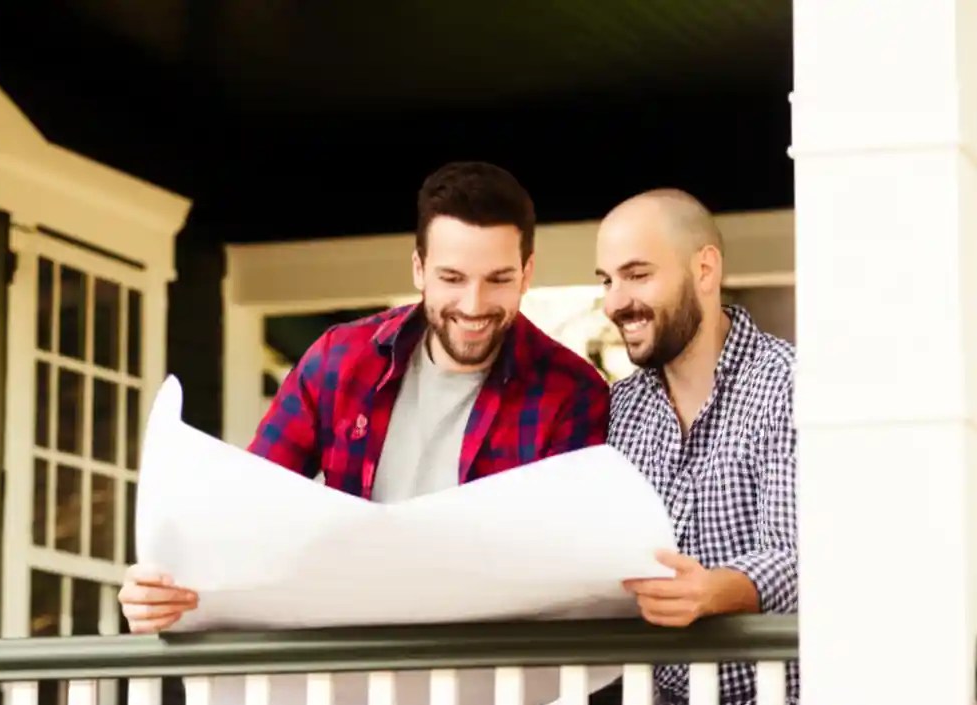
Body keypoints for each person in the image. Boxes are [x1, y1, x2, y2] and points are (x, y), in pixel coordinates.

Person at [119, 161, 611, 632]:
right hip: (349, 676)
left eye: (499, 280)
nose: (474, 304)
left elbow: (570, 570)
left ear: (527, 272)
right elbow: (252, 509)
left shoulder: (573, 394)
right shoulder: (340, 361)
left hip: (501, 687)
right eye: (452, 278)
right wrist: (170, 590)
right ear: (419, 269)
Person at [594, 189, 799, 705]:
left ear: (704, 270)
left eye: (637, 275)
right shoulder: (617, 411)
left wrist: (714, 591)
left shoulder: (790, 385)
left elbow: (804, 557)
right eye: (607, 280)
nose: (616, 301)